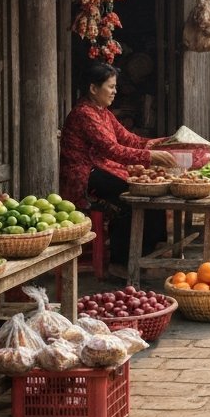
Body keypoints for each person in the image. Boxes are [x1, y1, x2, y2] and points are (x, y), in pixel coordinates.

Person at [59, 62, 178, 271]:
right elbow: (111, 150)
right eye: (111, 86)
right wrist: (150, 156)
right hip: (85, 176)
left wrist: (164, 142)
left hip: (103, 169)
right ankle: (121, 262)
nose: (115, 91)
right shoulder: (84, 114)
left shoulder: (103, 112)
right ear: (93, 88)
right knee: (131, 196)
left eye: (115, 86)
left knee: (149, 192)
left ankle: (144, 253)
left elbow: (128, 139)